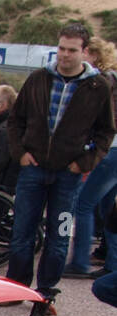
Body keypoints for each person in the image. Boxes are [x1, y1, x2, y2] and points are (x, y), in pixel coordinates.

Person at [7, 22, 116, 293]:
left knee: (60, 235)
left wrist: (85, 162)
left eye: (71, 50)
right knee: (22, 231)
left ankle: (46, 291)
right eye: (61, 48)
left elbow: (106, 132)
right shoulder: (38, 79)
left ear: (84, 51)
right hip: (33, 169)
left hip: (69, 175)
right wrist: (20, 152)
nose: (65, 55)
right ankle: (16, 286)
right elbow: (15, 120)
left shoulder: (97, 87)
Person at [63, 37, 117, 277]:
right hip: (114, 150)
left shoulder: (101, 81)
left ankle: (80, 262)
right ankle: (110, 258)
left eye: (83, 52)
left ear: (93, 55)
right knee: (107, 206)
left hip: (110, 150)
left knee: (82, 204)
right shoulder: (113, 78)